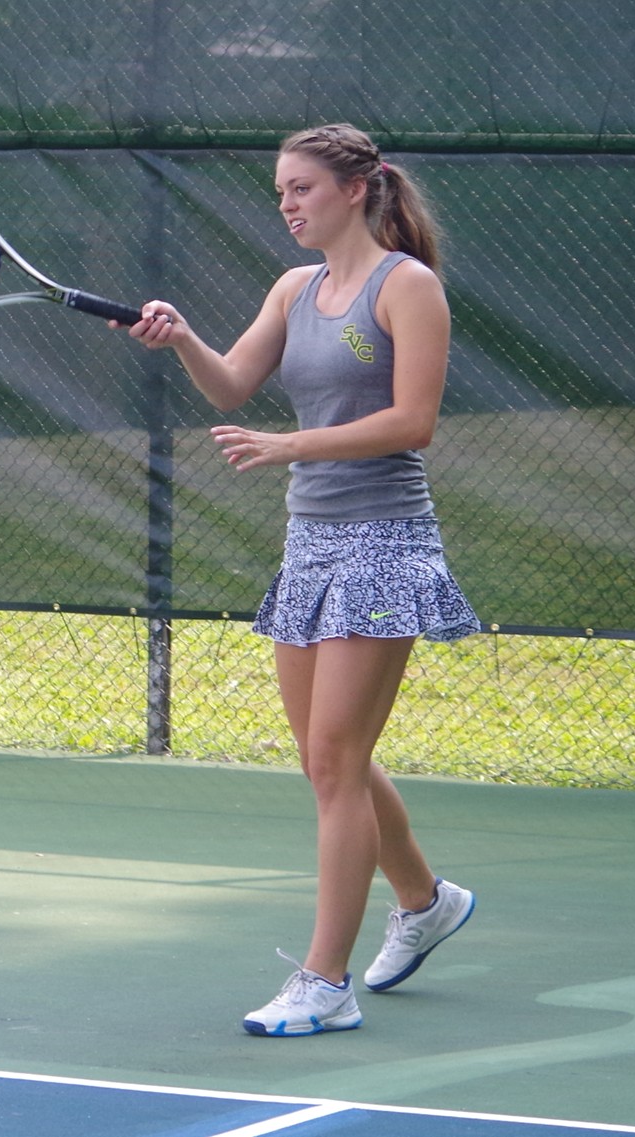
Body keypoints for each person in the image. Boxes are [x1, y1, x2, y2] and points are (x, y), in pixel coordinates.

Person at [119, 123, 480, 1037]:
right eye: (280, 191)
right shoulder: (295, 288)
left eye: (303, 188)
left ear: (357, 189)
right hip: (309, 544)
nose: (287, 204)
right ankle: (425, 900)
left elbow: (414, 421)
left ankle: (325, 981)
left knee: (334, 761)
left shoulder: (411, 288)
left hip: (385, 543)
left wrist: (293, 444)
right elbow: (234, 385)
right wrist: (184, 338)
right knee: (332, 762)